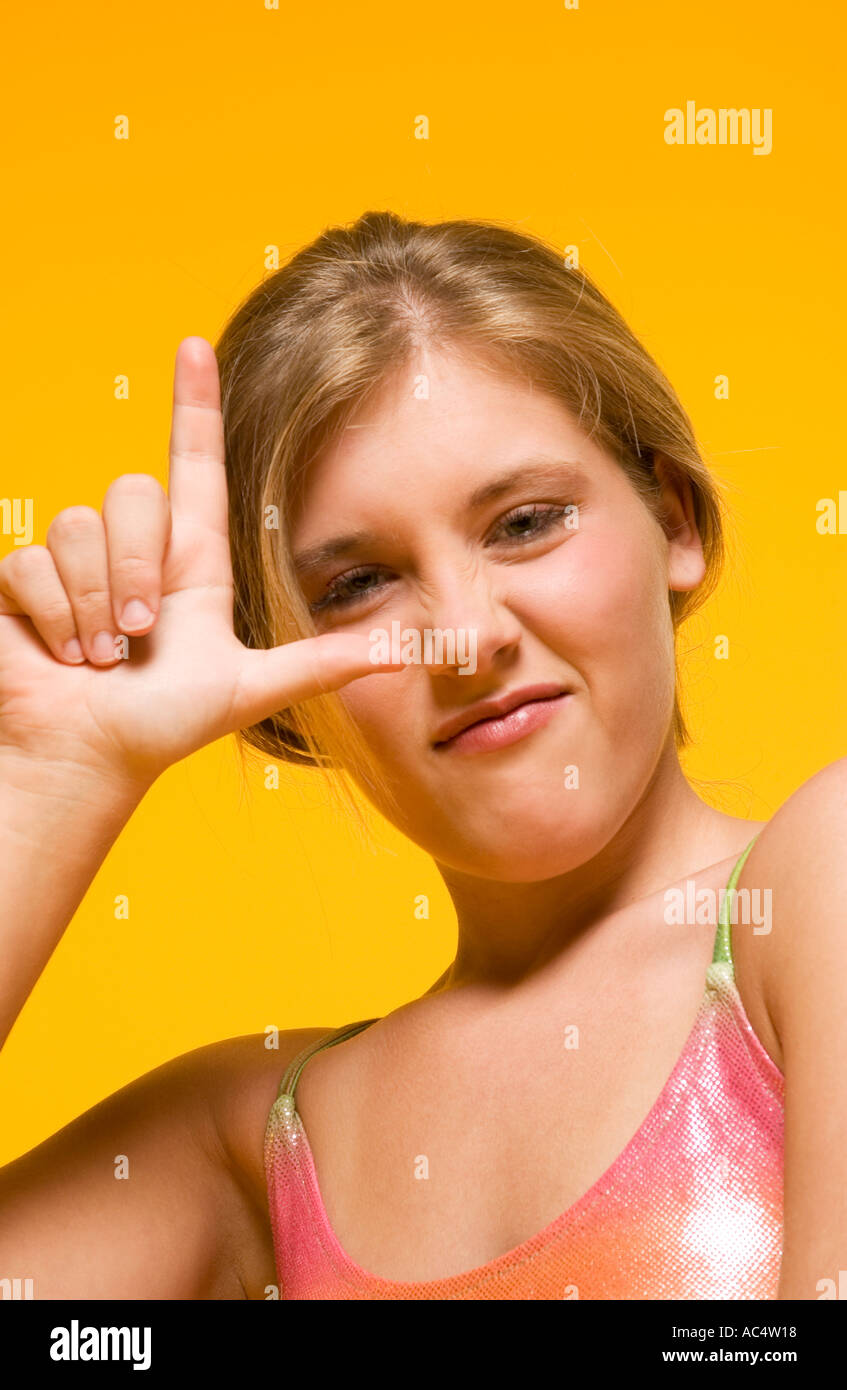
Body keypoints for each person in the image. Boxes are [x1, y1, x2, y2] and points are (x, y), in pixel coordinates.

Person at [0, 211, 843, 1300]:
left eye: (525, 522)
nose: (465, 634)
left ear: (673, 519)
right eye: (357, 585)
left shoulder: (818, 890)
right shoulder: (256, 1144)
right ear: (286, 697)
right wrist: (53, 778)